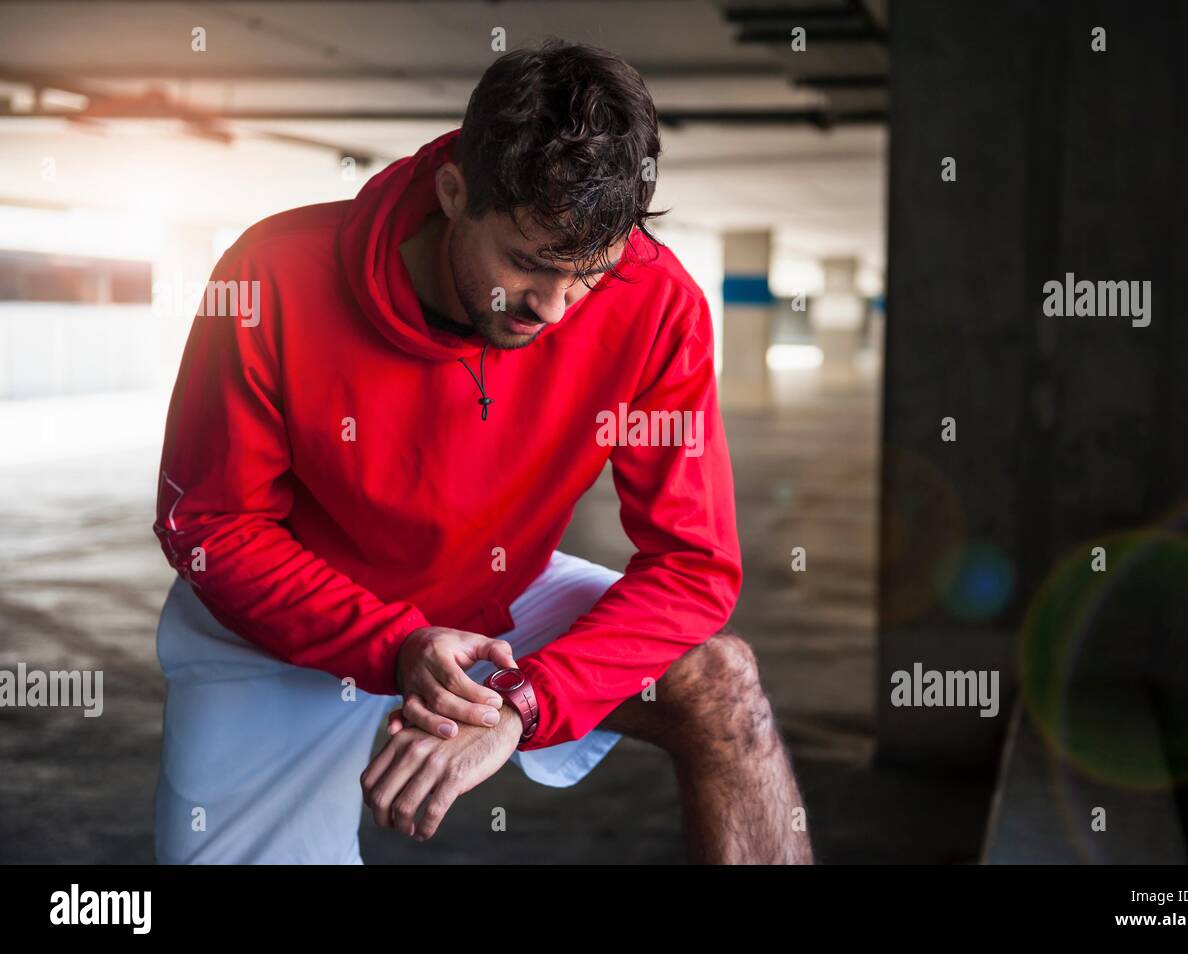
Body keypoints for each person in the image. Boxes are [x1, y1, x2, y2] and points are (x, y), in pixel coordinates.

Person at [152, 39, 812, 864]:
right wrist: (396, 643)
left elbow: (692, 565)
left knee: (722, 687)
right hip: (277, 626)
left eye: (589, 279)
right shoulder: (271, 272)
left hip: (496, 596)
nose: (556, 310)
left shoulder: (657, 302)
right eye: (530, 266)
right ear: (455, 191)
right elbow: (212, 525)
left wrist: (523, 702)